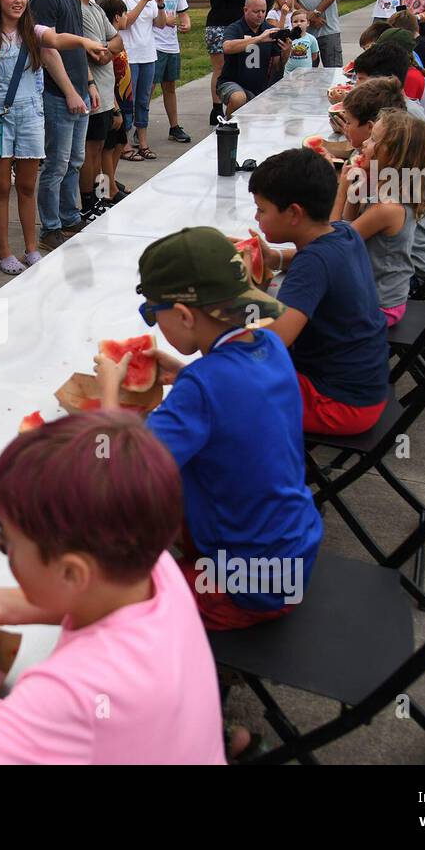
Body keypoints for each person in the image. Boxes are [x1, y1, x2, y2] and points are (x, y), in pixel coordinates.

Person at [0, 412, 226, 765]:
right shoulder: (154, 564)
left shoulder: (71, 692)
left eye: (6, 544)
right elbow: (104, 599)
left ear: (72, 572)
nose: (0, 546)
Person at [94, 226, 322, 632]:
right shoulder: (270, 346)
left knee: (99, 594)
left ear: (182, 315)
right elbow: (238, 402)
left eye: (152, 313)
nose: (153, 323)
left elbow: (119, 469)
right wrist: (185, 375)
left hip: (246, 587)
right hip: (293, 549)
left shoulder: (202, 388)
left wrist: (110, 395)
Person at [245, 149, 389, 435]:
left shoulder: (313, 264)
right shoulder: (342, 233)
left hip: (340, 405)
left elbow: (274, 342)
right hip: (367, 386)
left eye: (262, 210)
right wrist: (274, 257)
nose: (256, 216)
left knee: (223, 389)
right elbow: (316, 263)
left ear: (295, 213)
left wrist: (246, 288)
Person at [0, 0, 103, 270]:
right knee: (2, 186)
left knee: (28, 186)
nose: (17, 1)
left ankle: (31, 249)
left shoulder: (33, 31)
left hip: (30, 114)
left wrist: (83, 42)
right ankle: (5, 252)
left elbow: (57, 39)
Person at [331, 108, 425, 321]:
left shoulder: (388, 208)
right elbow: (348, 222)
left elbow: (332, 244)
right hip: (374, 287)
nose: (364, 144)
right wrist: (357, 189)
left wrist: (342, 190)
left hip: (378, 307)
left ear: (391, 155)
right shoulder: (387, 187)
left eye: (373, 140)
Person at [30, 0, 99, 251]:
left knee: (74, 160)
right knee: (56, 164)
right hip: (58, 95)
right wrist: (71, 91)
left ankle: (70, 218)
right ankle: (50, 228)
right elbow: (48, 49)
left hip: (78, 90)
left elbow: (76, 46)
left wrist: (87, 83)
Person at [76, 0, 122, 220]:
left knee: (103, 148)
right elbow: (99, 53)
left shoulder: (95, 8)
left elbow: (116, 42)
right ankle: (89, 203)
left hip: (106, 94)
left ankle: (103, 196)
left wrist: (106, 47)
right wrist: (107, 48)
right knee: (91, 151)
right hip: (92, 95)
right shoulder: (80, 11)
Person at [110, 0, 163, 160]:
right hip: (129, 56)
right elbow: (126, 22)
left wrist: (159, 4)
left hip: (148, 54)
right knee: (127, 103)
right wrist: (144, 0)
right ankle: (123, 145)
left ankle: (142, 142)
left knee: (143, 101)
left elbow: (159, 23)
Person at [205, 0, 258, 125]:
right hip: (218, 26)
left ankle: (240, 100)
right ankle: (216, 107)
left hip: (236, 27)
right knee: (220, 68)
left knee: (239, 65)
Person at [352, 40, 425, 141]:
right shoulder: (390, 104)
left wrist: (351, 131)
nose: (356, 86)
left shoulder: (404, 117)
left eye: (361, 79)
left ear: (386, 80)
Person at [219, 0, 290, 117]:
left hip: (259, 88)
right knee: (238, 98)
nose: (261, 15)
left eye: (263, 11)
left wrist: (286, 51)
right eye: (256, 11)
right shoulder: (236, 28)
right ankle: (226, 126)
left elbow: (278, 65)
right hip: (231, 82)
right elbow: (227, 47)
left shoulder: (269, 30)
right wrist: (258, 39)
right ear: (245, 10)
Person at [148, 0, 192, 145]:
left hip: (172, 45)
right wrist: (167, 19)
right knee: (149, 88)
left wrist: (186, 23)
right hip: (154, 45)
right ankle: (138, 125)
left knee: (170, 87)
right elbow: (150, 17)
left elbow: (183, 13)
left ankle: (174, 126)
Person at [98, 0, 133, 206]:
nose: (127, 17)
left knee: (119, 143)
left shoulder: (115, 37)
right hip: (112, 101)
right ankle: (104, 189)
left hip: (122, 98)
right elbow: (106, 76)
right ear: (117, 16)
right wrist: (115, 107)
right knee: (107, 148)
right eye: (125, 13)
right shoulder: (108, 41)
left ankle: (110, 180)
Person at [283, 8, 321, 74]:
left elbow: (314, 56)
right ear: (291, 23)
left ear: (308, 23)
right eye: (295, 21)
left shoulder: (311, 39)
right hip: (288, 73)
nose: (298, 23)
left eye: (302, 21)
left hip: (305, 73)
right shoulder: (288, 38)